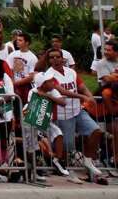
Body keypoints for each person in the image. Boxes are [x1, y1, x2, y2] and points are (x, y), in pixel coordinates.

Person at [35, 46, 108, 182]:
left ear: (63, 58)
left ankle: (87, 161)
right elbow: (62, 91)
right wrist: (83, 97)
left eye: (58, 57)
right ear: (49, 60)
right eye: (52, 57)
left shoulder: (71, 72)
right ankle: (68, 172)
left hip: (77, 110)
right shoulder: (49, 75)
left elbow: (81, 86)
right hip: (62, 114)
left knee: (96, 131)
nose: (55, 59)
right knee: (67, 147)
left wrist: (89, 96)